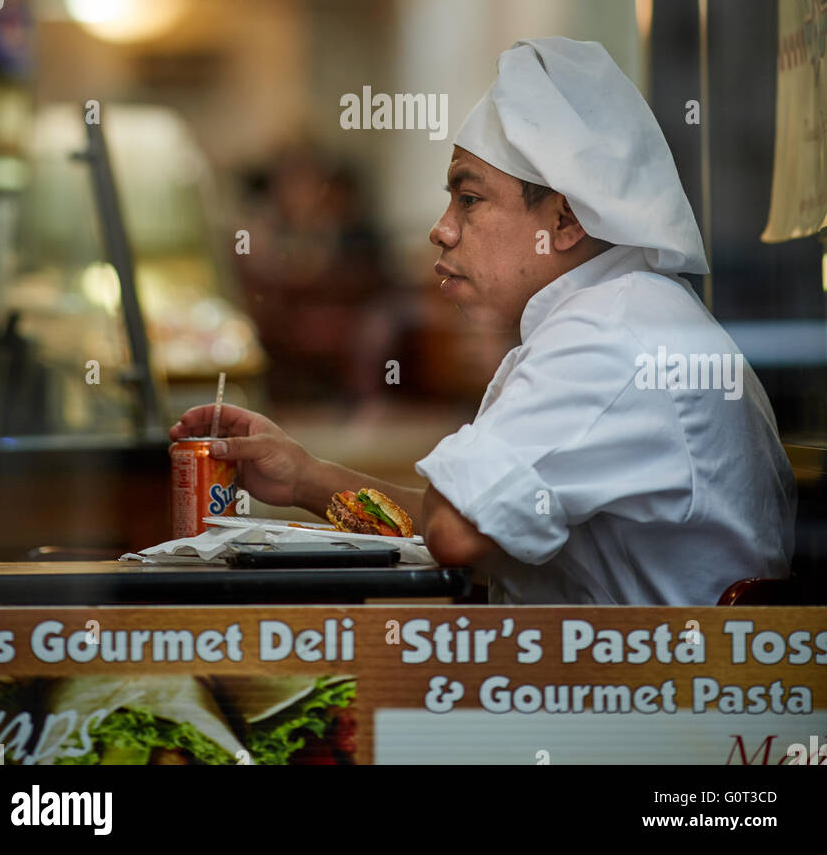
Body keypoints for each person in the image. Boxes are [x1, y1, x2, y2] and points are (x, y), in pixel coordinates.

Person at [171, 37, 797, 606]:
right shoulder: (612, 314)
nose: (441, 230)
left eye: (468, 200)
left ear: (565, 221)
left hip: (651, 714)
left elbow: (457, 531)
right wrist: (309, 477)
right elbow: (474, 518)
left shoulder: (613, 334)